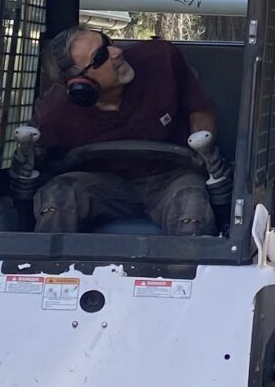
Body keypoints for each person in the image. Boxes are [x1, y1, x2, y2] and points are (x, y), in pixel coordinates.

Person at [30, 27, 219, 236]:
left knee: (191, 206)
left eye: (106, 41)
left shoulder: (161, 59)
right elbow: (41, 159)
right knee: (58, 196)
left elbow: (200, 110)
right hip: (103, 183)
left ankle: (186, 266)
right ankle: (43, 268)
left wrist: (202, 151)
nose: (116, 52)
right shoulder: (54, 113)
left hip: (172, 178)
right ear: (81, 84)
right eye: (101, 56)